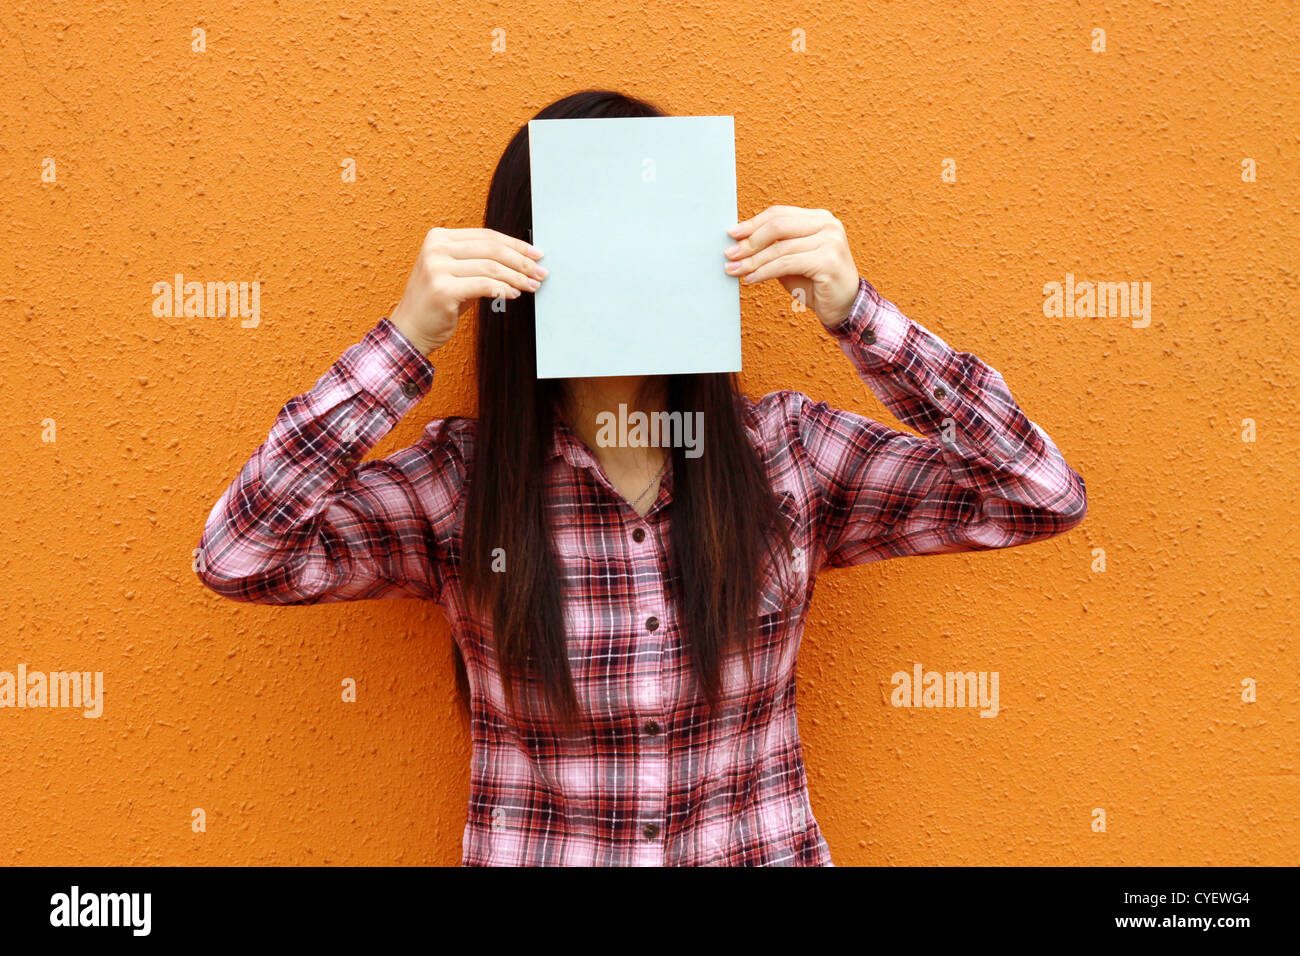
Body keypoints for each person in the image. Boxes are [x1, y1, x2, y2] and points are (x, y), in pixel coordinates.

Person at [195, 90, 1087, 866]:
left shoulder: (790, 457)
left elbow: (1037, 491)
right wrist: (403, 342)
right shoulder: (462, 487)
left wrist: (857, 312)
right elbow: (240, 557)